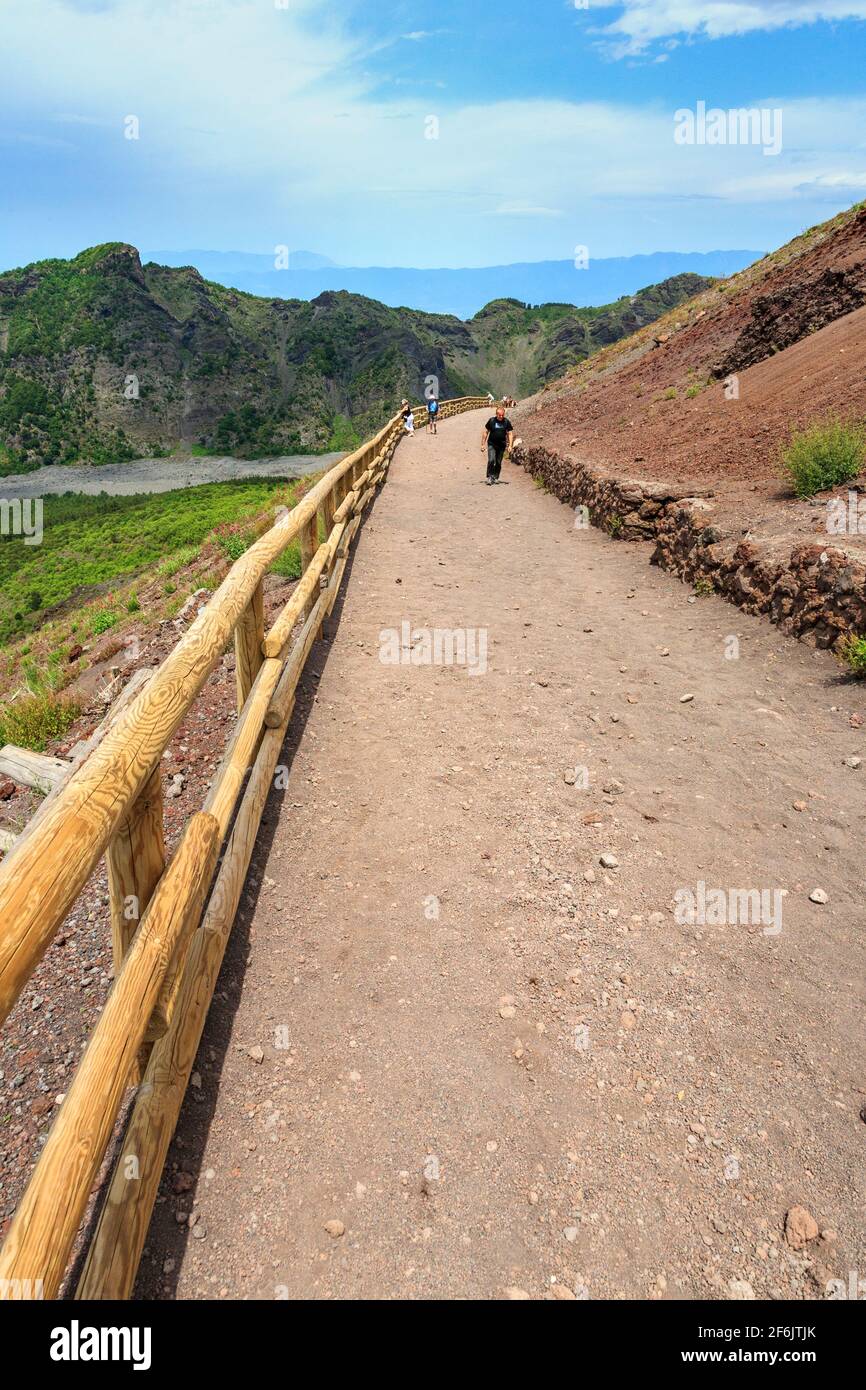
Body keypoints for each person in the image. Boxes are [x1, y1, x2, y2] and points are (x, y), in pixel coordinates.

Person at [482, 404, 513, 485]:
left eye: (502, 415)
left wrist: (510, 445)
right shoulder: (491, 421)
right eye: (499, 415)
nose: (501, 417)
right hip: (492, 444)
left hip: (502, 445)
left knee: (498, 462)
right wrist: (483, 444)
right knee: (491, 460)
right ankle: (489, 477)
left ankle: (495, 477)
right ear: (496, 414)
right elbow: (486, 432)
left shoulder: (506, 422)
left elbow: (510, 433)